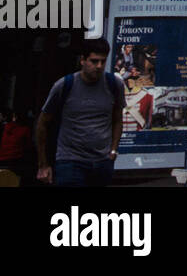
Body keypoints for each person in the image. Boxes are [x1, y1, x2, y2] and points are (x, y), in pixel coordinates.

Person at [35, 38, 125, 187]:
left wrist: (114, 150)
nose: (99, 66)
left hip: (102, 161)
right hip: (70, 161)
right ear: (83, 60)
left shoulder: (114, 84)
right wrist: (43, 164)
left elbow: (117, 119)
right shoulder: (64, 85)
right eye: (94, 61)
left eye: (103, 61)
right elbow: (42, 123)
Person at [0, 109, 33, 183]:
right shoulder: (25, 130)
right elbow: (28, 146)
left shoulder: (5, 127)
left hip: (2, 161)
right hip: (16, 162)